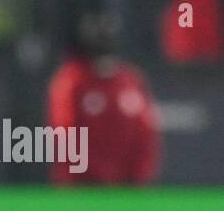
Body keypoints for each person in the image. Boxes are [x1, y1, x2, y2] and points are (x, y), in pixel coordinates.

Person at [48, 11, 160, 184]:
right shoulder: (72, 80)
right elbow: (64, 131)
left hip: (127, 184)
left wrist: (141, 174)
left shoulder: (130, 80)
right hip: (84, 185)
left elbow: (145, 131)